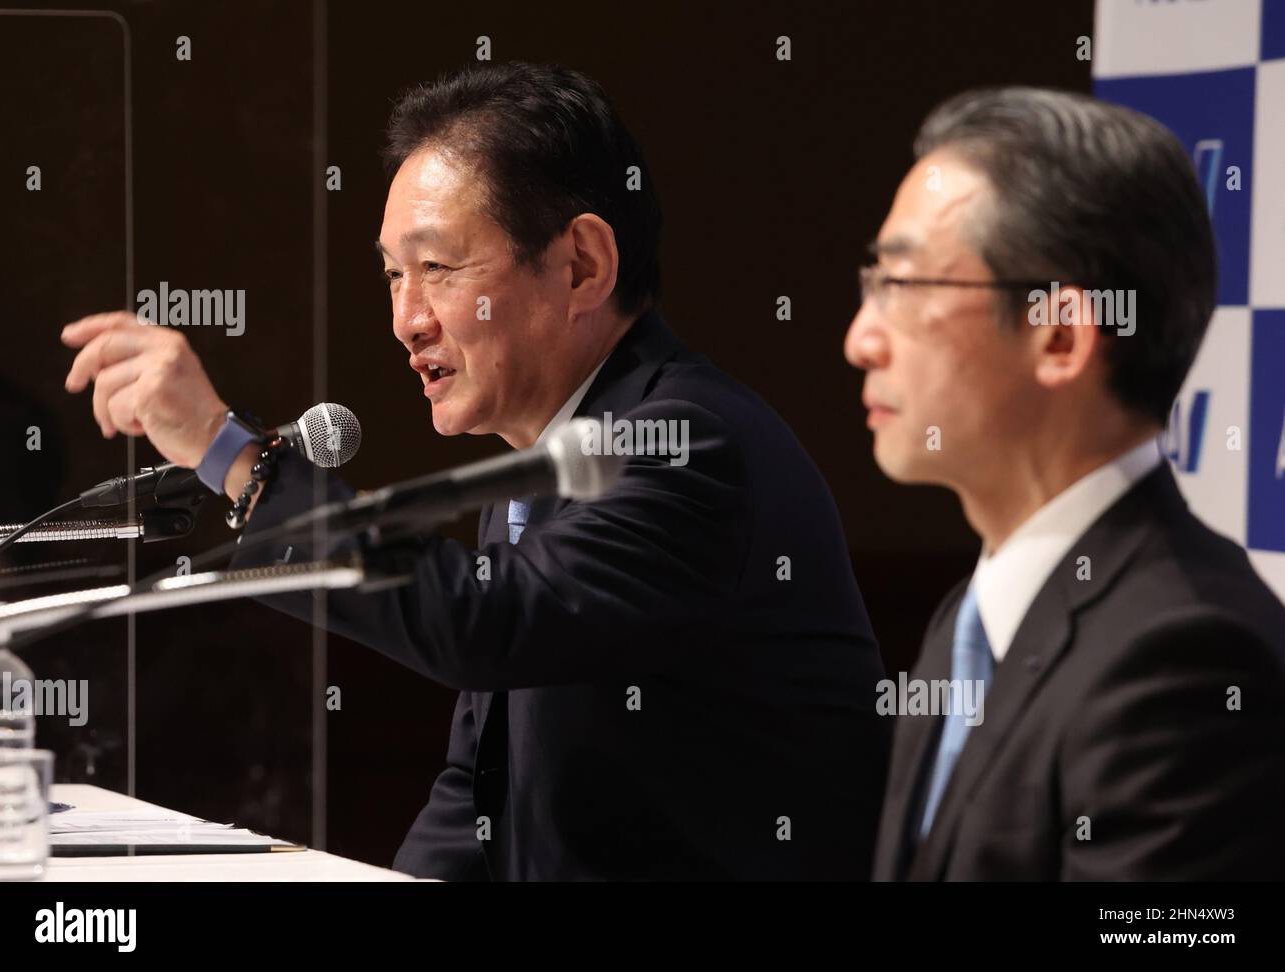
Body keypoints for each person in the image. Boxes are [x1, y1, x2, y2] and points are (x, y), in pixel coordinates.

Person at [62, 62, 888, 880]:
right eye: (391, 275)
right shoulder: (536, 478)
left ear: (582, 267)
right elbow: (478, 794)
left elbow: (492, 623)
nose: (406, 321)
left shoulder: (691, 445)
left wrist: (229, 452)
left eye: (438, 269)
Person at [846, 87, 1285, 880]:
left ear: (1060, 336)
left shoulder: (1186, 658)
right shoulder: (971, 618)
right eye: (870, 283)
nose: (860, 340)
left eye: (903, 288)